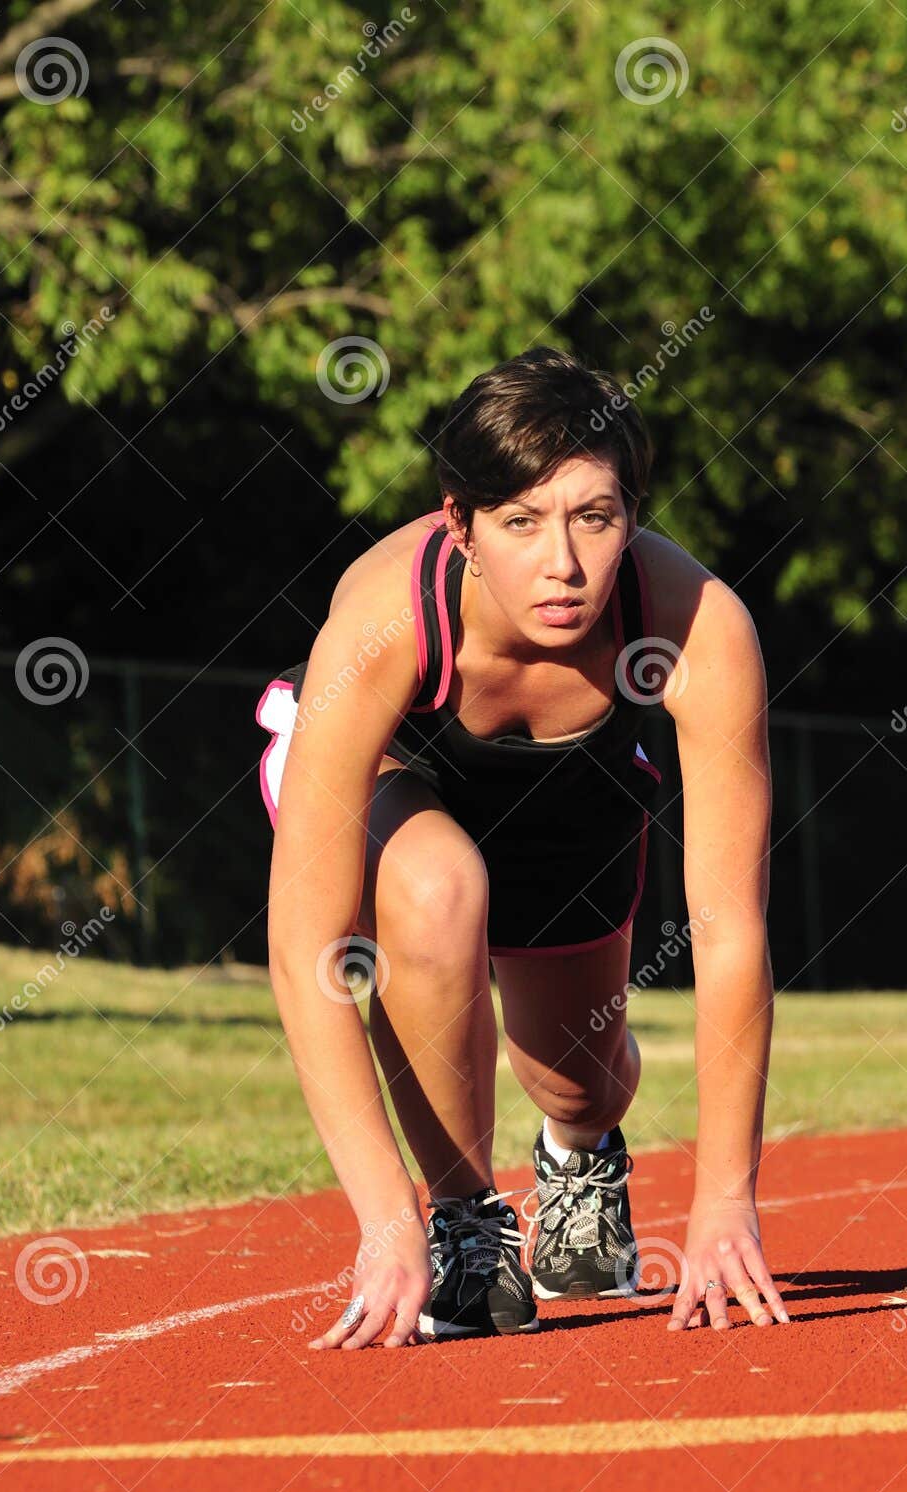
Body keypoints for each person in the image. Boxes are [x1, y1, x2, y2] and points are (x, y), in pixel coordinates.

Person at [258, 345, 788, 1349]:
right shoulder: (385, 623)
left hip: (571, 793)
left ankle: (579, 1153)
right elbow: (305, 948)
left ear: (632, 513)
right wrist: (387, 1219)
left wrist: (726, 1200)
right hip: (397, 774)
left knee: (578, 1077)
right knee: (438, 886)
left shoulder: (695, 624)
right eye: (519, 522)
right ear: (458, 524)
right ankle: (464, 1221)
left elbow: (729, 932)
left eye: (594, 517)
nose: (562, 564)